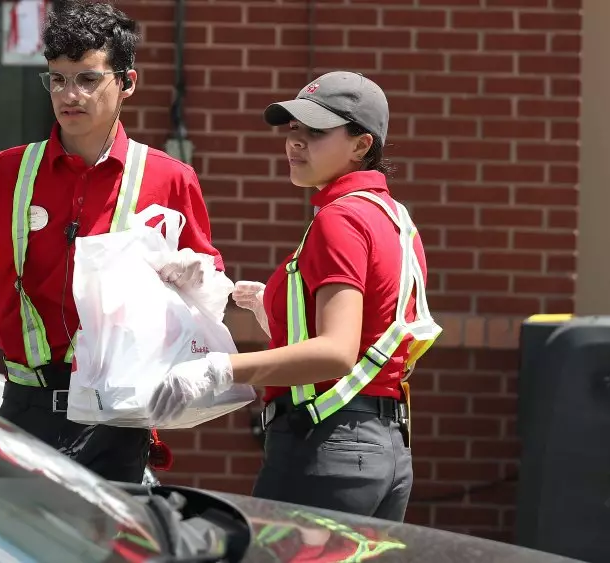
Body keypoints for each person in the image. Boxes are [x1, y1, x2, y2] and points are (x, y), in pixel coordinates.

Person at [0, 0, 222, 483]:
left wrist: (197, 279)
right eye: (57, 78)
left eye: (88, 79)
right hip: (25, 403)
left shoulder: (169, 178)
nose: (69, 94)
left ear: (128, 83)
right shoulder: (1, 173)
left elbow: (209, 298)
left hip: (119, 411)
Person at [146, 71, 442, 520]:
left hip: (326, 447)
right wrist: (273, 307)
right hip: (384, 450)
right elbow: (366, 335)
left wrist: (217, 369)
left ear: (362, 145)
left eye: (317, 132)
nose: (296, 143)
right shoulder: (392, 217)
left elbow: (336, 351)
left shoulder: (339, 219)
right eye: (293, 129)